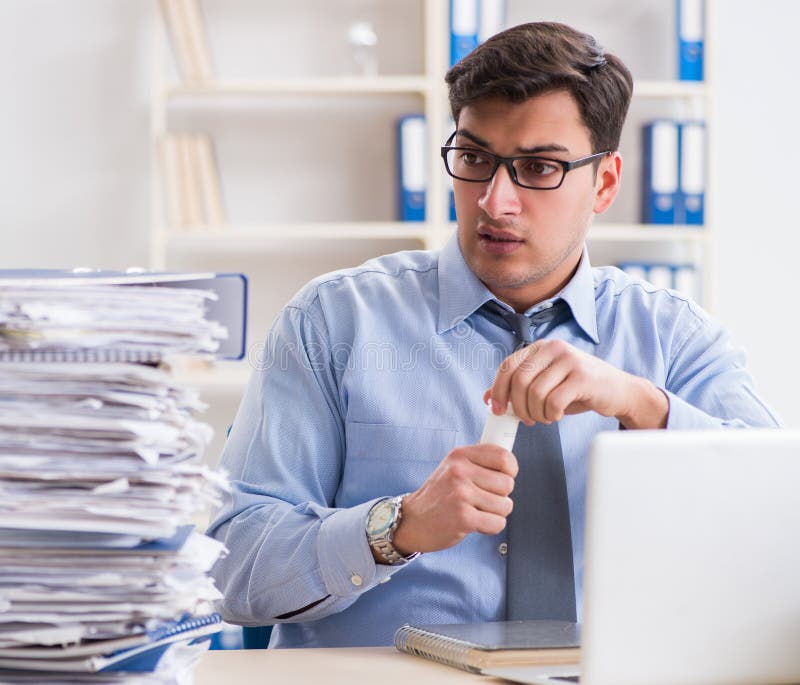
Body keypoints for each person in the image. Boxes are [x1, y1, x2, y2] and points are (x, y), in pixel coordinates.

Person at [207, 22, 778, 648]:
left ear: (606, 183)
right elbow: (229, 570)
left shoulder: (674, 337)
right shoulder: (332, 322)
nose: (494, 201)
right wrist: (394, 529)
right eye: (475, 159)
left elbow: (776, 527)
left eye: (538, 167)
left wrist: (645, 408)